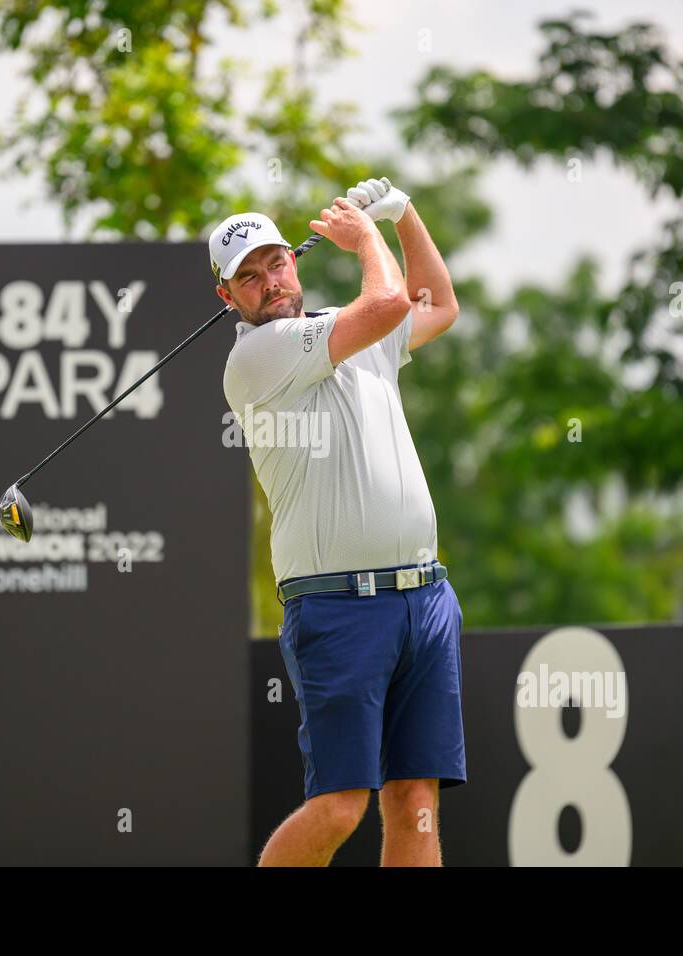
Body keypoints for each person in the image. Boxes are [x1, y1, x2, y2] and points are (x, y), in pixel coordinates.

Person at [214, 178, 464, 866]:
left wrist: (406, 212)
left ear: (294, 261)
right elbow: (386, 301)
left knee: (414, 798)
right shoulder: (255, 358)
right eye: (248, 276)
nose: (268, 280)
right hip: (336, 606)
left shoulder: (352, 333)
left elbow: (439, 303)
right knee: (340, 806)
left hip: (425, 597)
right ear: (228, 298)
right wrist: (365, 234)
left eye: (275, 262)